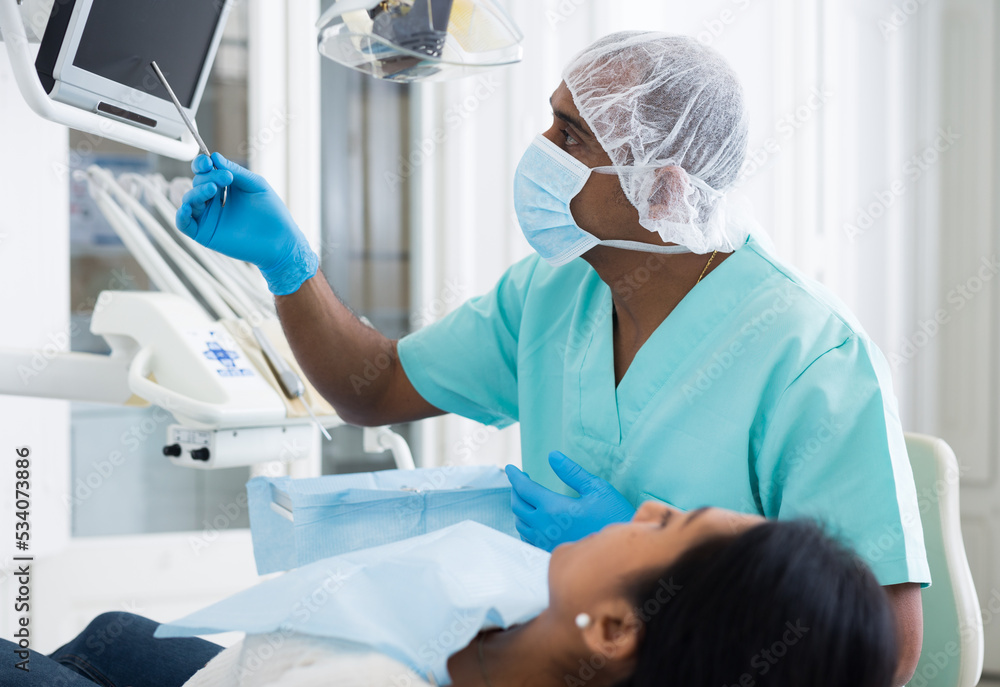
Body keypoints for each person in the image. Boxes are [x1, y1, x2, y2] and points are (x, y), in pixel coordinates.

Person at [175, 30, 928, 684]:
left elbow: (884, 649)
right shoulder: (554, 290)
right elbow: (374, 388)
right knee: (114, 638)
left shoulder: (811, 355)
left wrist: (646, 559)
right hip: (527, 659)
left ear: (660, 188)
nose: (539, 153)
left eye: (570, 137)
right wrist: (289, 264)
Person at [0, 501, 898, 687]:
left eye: (668, 524)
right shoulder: (526, 620)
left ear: (619, 626)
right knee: (120, 630)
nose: (648, 500)